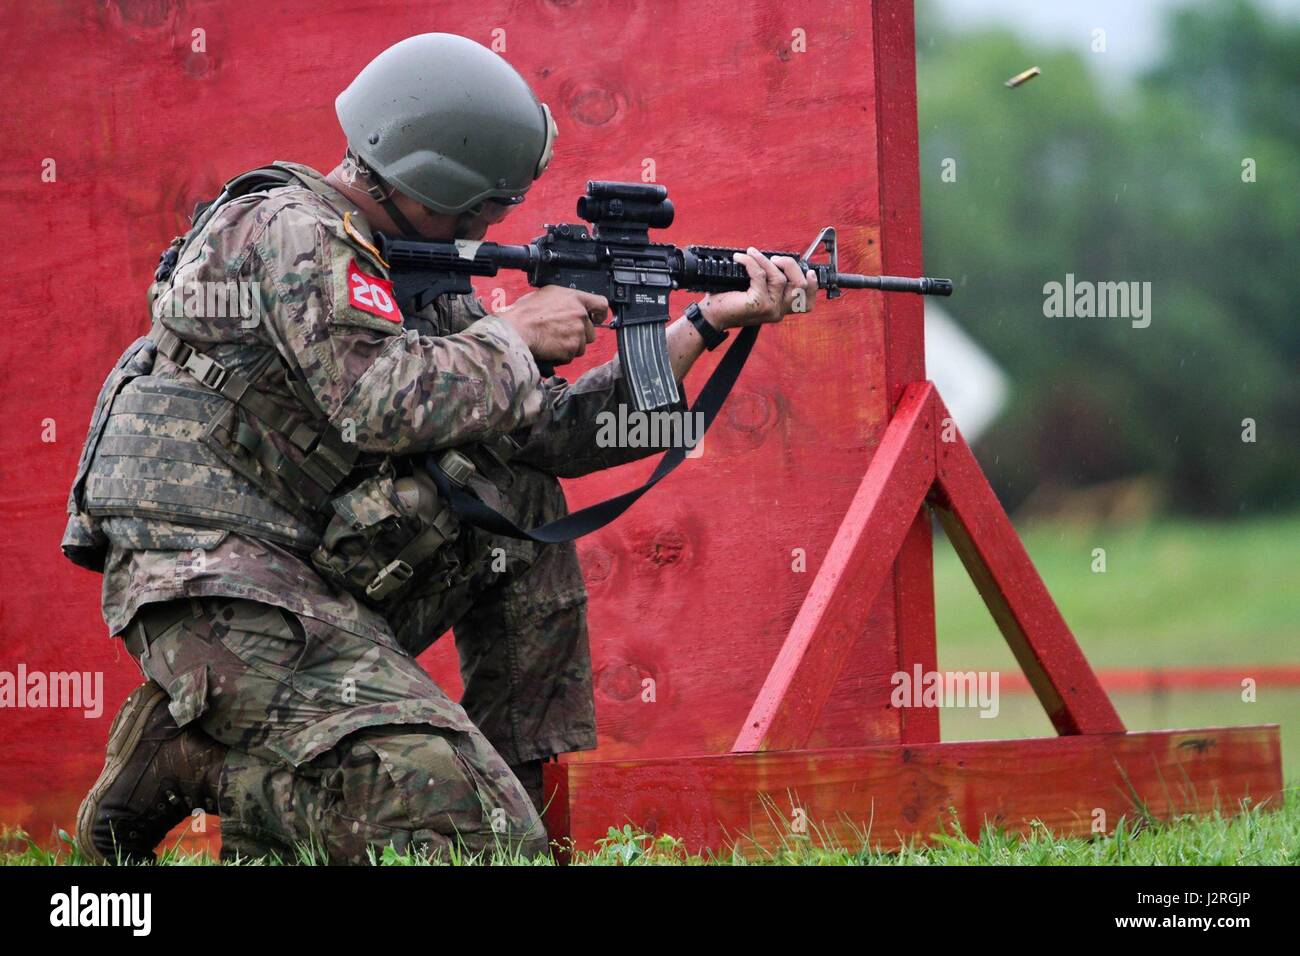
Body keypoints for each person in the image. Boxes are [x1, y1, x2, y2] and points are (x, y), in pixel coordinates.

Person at [64, 32, 815, 864]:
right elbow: (375, 404)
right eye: (489, 203)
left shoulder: (407, 269)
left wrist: (702, 326)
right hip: (213, 580)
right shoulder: (286, 229)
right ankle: (198, 764)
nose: (495, 222)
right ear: (439, 181)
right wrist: (514, 333)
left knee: (519, 502)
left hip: (307, 570)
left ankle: (511, 792)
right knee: (451, 828)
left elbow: (549, 437)